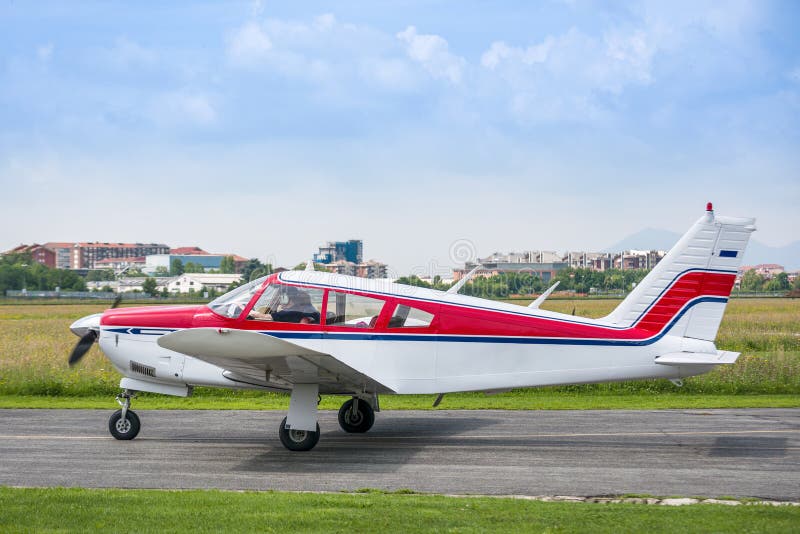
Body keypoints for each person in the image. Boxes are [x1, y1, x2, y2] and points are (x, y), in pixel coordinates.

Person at [248, 286, 320, 323]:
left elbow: (262, 317)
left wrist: (247, 311)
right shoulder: (309, 309)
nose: (279, 301)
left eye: (281, 297)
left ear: (287, 298)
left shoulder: (289, 313)